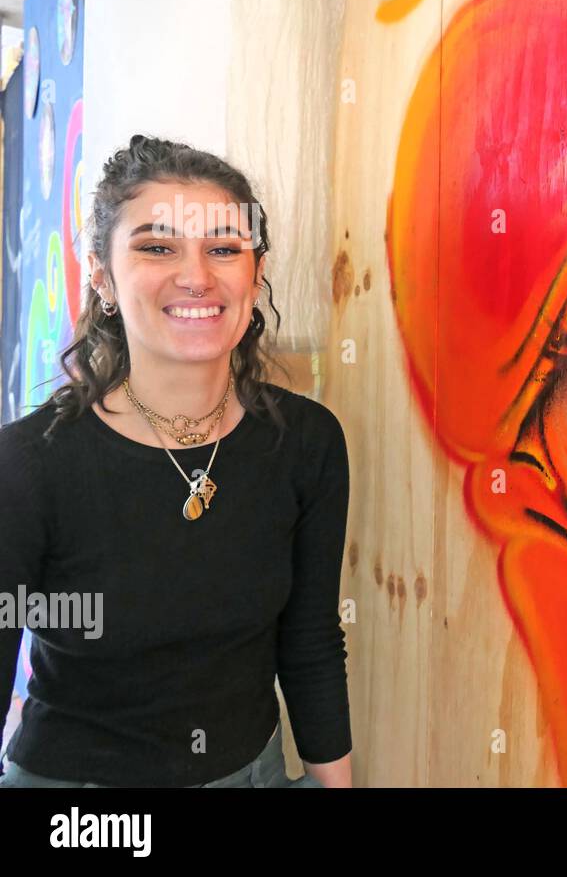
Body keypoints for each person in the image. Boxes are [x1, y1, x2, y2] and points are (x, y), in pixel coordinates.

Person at [0, 134, 352, 787]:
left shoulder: (307, 442)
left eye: (224, 248)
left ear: (256, 271)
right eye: (157, 247)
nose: (197, 275)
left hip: (256, 774)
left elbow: (310, 641)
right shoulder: (29, 466)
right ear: (101, 275)